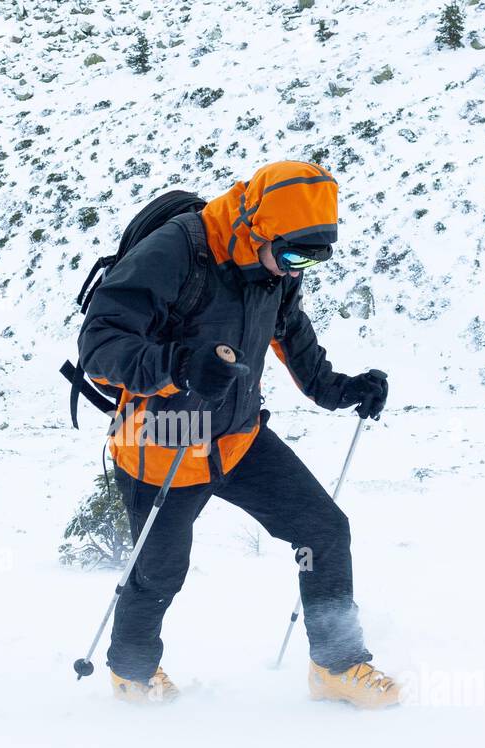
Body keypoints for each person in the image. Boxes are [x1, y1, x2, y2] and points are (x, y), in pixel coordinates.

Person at [79, 160, 398, 708]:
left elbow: (290, 332)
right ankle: (132, 674)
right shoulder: (177, 252)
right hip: (165, 435)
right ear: (255, 228)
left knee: (322, 532)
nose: (297, 272)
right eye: (294, 255)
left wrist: (338, 389)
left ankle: (336, 664)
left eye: (313, 259)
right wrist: (177, 364)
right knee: (158, 572)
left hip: (237, 435)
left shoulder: (274, 268)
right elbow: (99, 349)